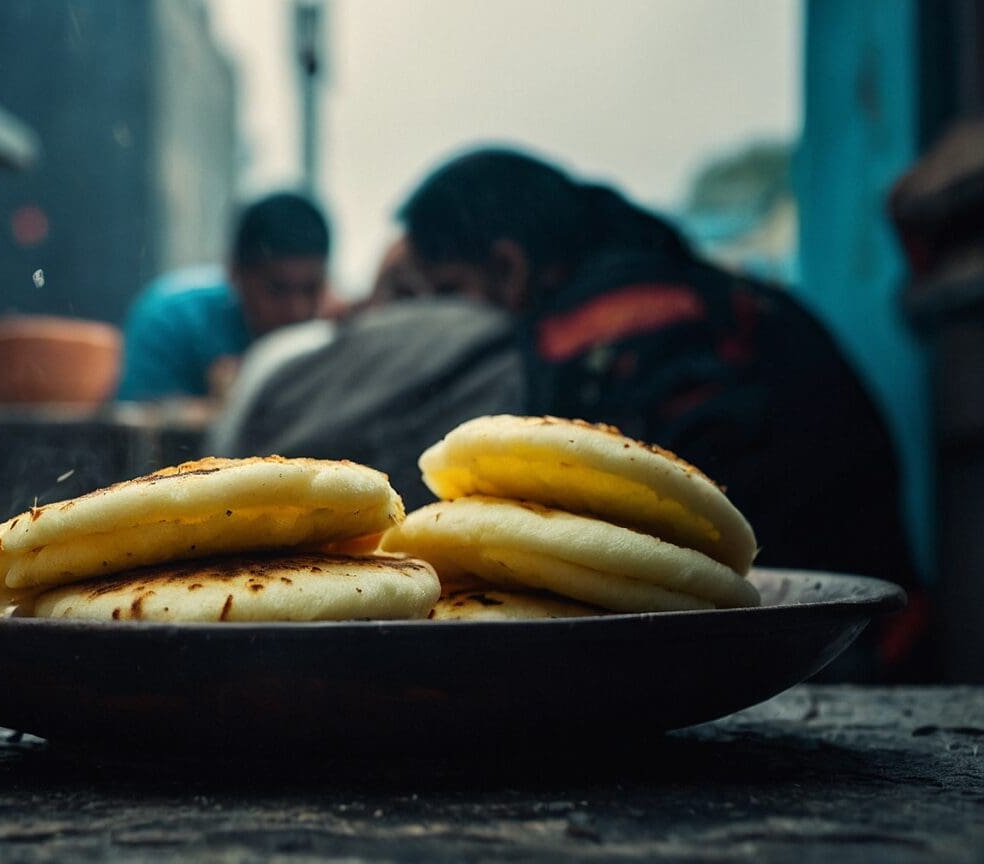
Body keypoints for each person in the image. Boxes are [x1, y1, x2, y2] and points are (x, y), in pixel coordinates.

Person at [225, 148, 924, 677]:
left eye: (445, 292)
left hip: (826, 664)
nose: (438, 323)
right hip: (875, 626)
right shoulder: (708, 299)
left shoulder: (589, 339)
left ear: (507, 269)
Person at [116, 193, 330, 401]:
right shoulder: (169, 320)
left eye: (310, 289)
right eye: (277, 290)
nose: (297, 309)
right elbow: (138, 420)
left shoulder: (334, 329)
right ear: (234, 273)